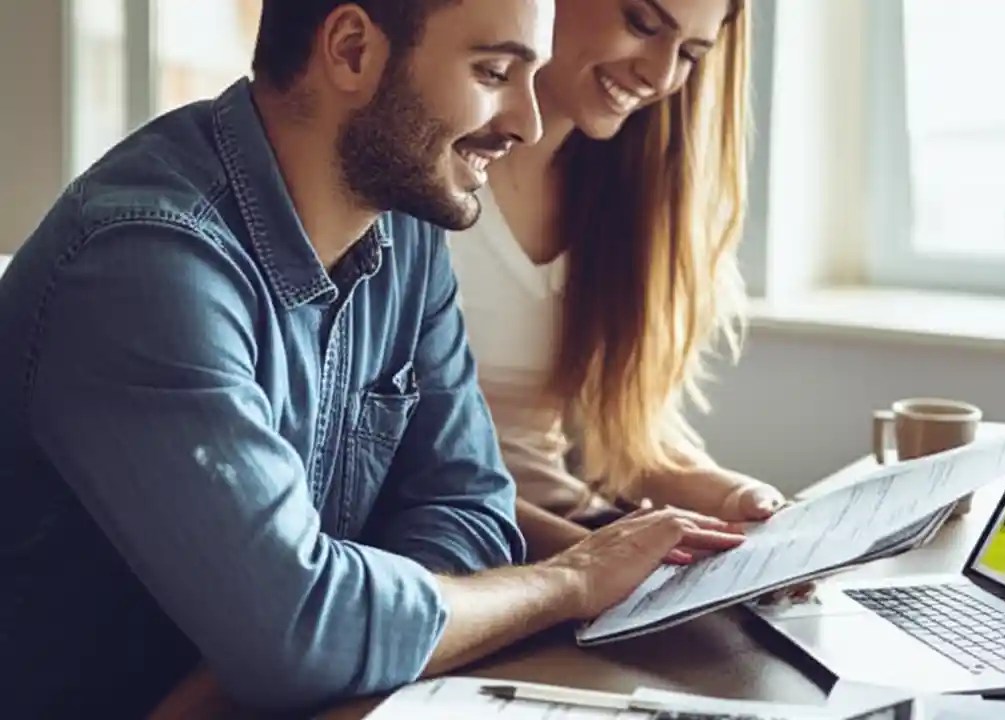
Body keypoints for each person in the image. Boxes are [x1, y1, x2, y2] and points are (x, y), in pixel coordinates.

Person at [0, 1, 746, 716]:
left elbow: (474, 510)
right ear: (352, 50)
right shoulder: (144, 266)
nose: (526, 121)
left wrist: (330, 635)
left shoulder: (406, 224)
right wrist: (569, 582)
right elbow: (296, 636)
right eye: (494, 73)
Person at [448, 0, 786, 559]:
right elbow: (419, 482)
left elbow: (627, 440)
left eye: (690, 54)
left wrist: (741, 499)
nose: (660, 75)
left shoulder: (622, 202)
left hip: (571, 536)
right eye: (641, 24)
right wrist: (596, 559)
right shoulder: (430, 183)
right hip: (482, 552)